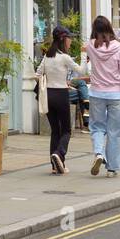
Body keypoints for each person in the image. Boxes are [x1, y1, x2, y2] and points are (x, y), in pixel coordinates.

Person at [86, 16, 120, 177]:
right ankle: (112, 168)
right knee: (115, 131)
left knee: (97, 127)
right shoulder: (119, 48)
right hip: (115, 95)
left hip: (96, 93)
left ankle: (99, 153)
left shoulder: (90, 46)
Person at [37, 26, 84, 174]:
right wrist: (84, 55)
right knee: (66, 130)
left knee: (55, 131)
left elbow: (38, 73)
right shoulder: (64, 57)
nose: (71, 41)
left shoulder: (47, 57)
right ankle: (59, 153)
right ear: (63, 39)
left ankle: (55, 165)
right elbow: (82, 71)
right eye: (69, 38)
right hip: (61, 95)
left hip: (48, 96)